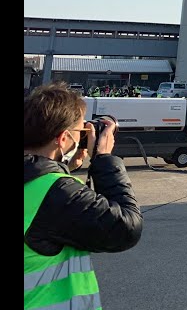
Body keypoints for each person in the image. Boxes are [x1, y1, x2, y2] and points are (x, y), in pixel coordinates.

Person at [24, 82, 142, 308]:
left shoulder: (41, 186)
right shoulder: (55, 192)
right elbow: (126, 228)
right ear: (62, 139)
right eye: (80, 132)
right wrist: (104, 158)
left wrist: (62, 164)